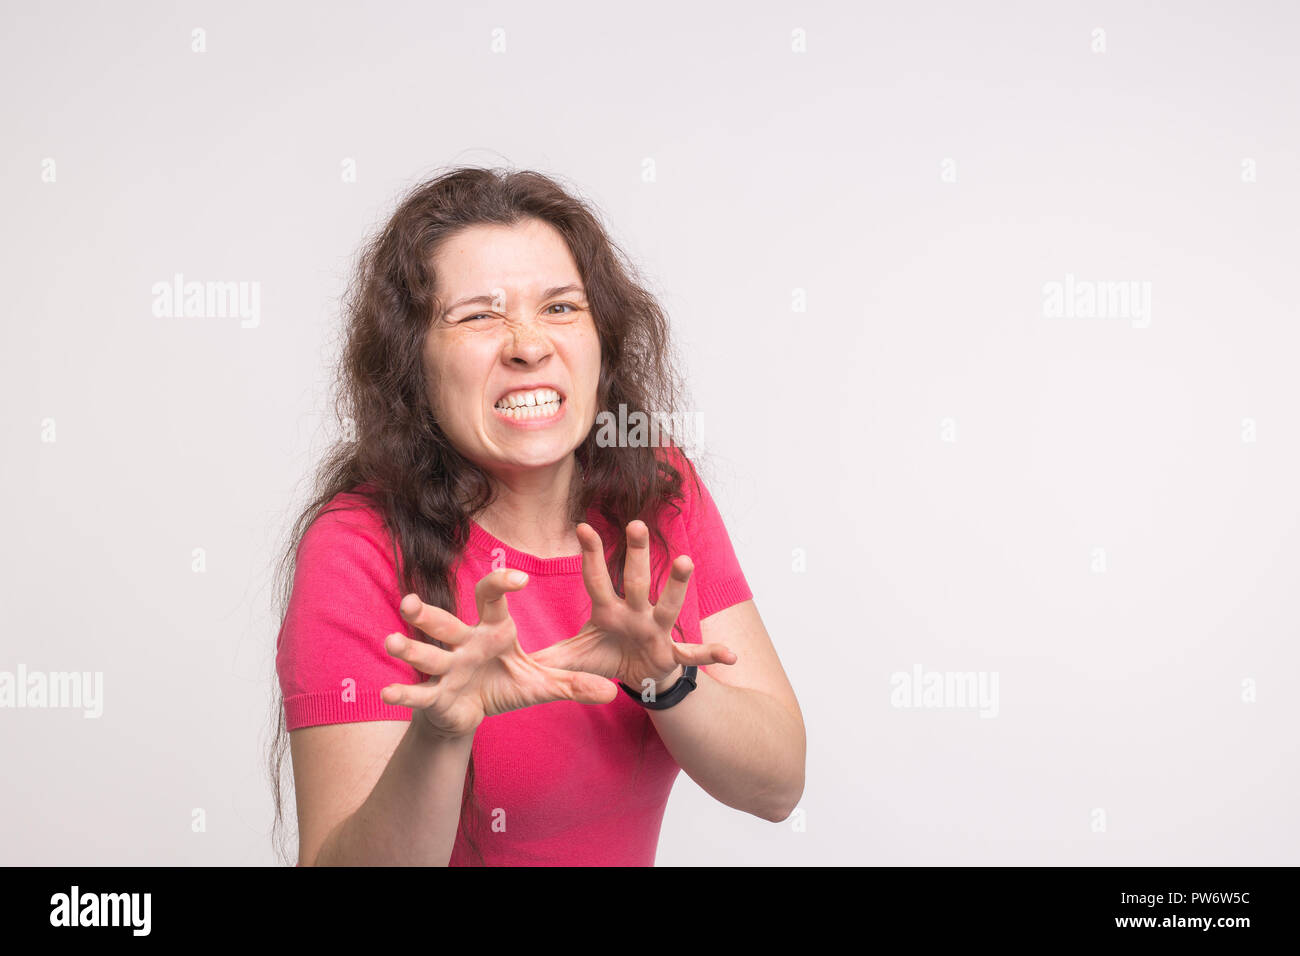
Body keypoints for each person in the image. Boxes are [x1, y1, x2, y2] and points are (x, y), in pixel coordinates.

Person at [268, 167, 805, 866]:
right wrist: (441, 733)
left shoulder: (656, 489)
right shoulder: (357, 547)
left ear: (601, 341)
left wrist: (664, 679)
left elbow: (778, 786)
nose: (528, 344)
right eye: (479, 315)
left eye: (560, 308)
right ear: (413, 365)